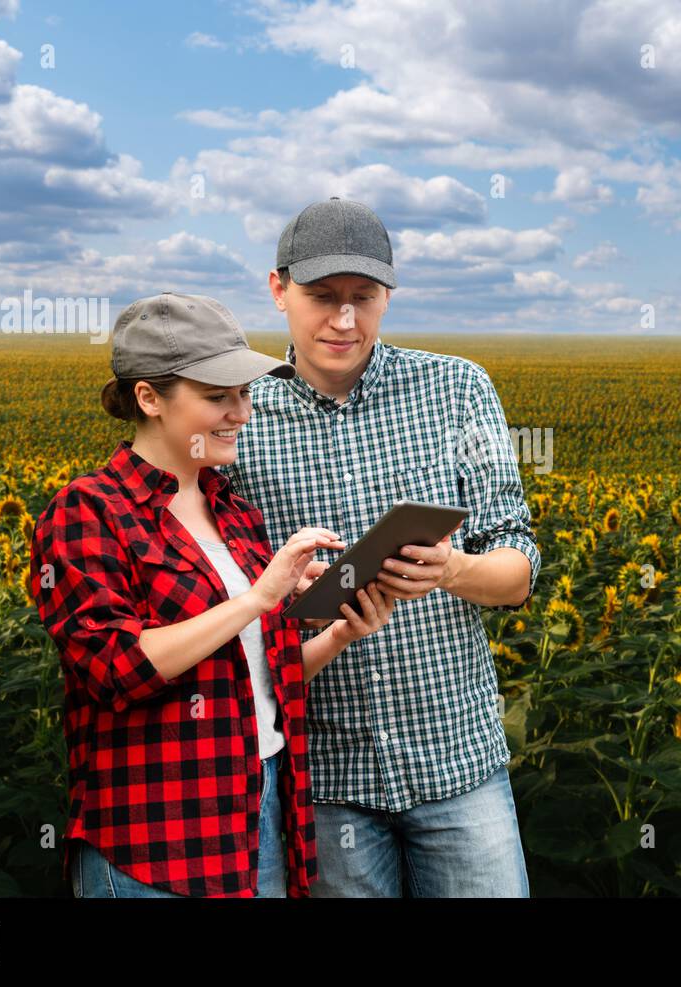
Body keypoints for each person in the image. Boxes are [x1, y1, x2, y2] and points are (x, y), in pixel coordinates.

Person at [219, 197, 542, 897]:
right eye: (322, 298)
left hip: (456, 760)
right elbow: (223, 598)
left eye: (363, 298)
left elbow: (516, 567)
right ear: (278, 291)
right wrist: (293, 602)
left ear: (388, 294)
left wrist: (453, 568)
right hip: (326, 773)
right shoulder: (237, 413)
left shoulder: (457, 389)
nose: (344, 320)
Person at [30, 291, 396, 898]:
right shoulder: (89, 511)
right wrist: (255, 599)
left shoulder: (235, 511)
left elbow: (259, 680)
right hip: (157, 835)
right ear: (148, 398)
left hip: (261, 808)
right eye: (217, 397)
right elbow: (116, 671)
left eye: (244, 395)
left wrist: (340, 632)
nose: (241, 413)